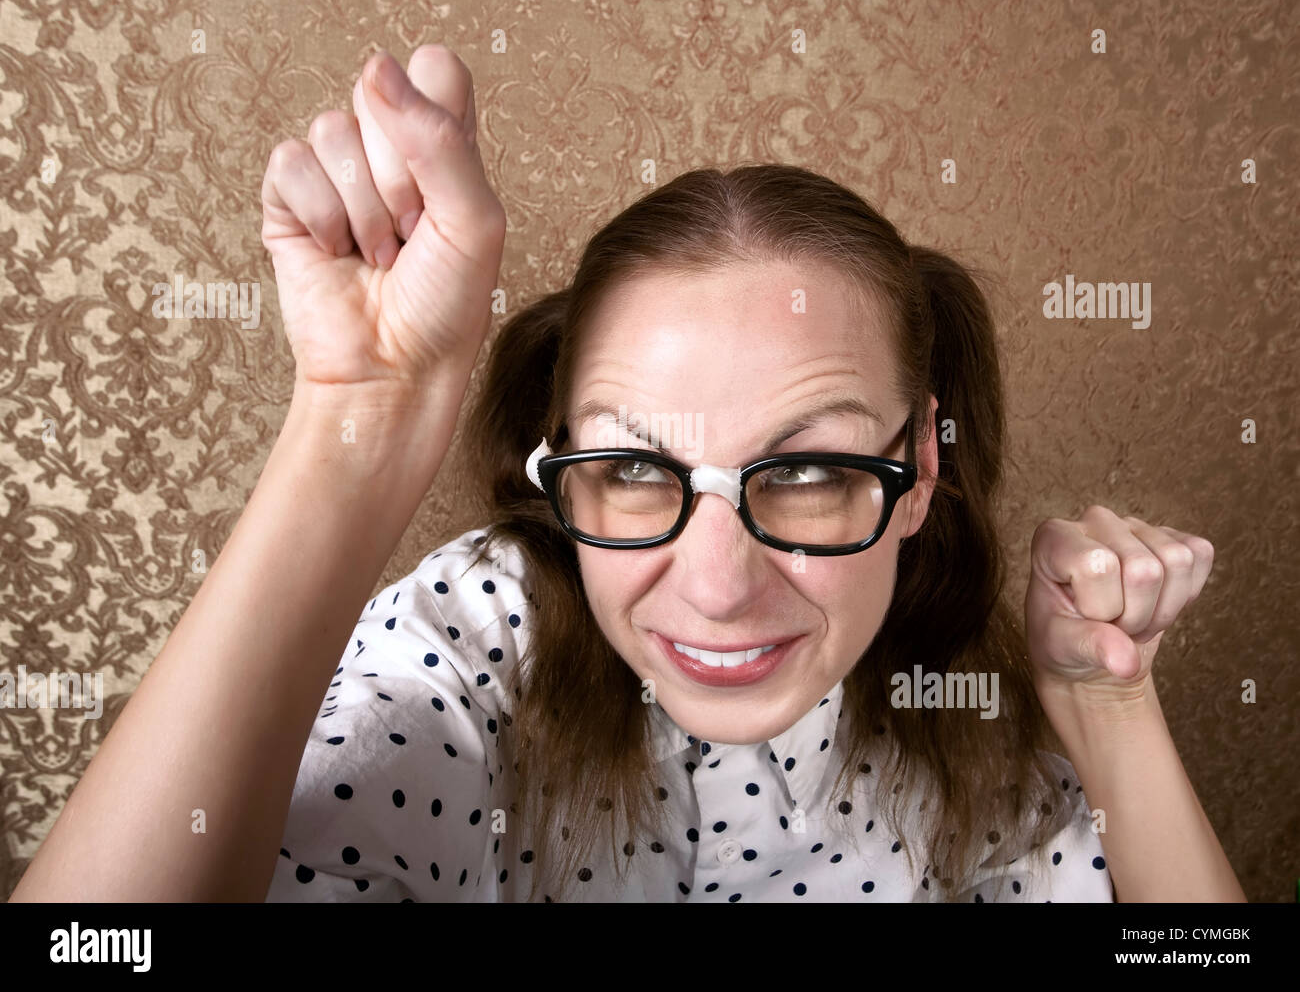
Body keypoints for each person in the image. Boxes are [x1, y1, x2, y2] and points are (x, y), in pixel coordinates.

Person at [9, 45, 1245, 904]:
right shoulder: (479, 642)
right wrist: (355, 421)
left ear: (918, 467)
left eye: (810, 470)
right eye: (633, 469)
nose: (714, 588)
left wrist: (1110, 711)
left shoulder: (959, 714)